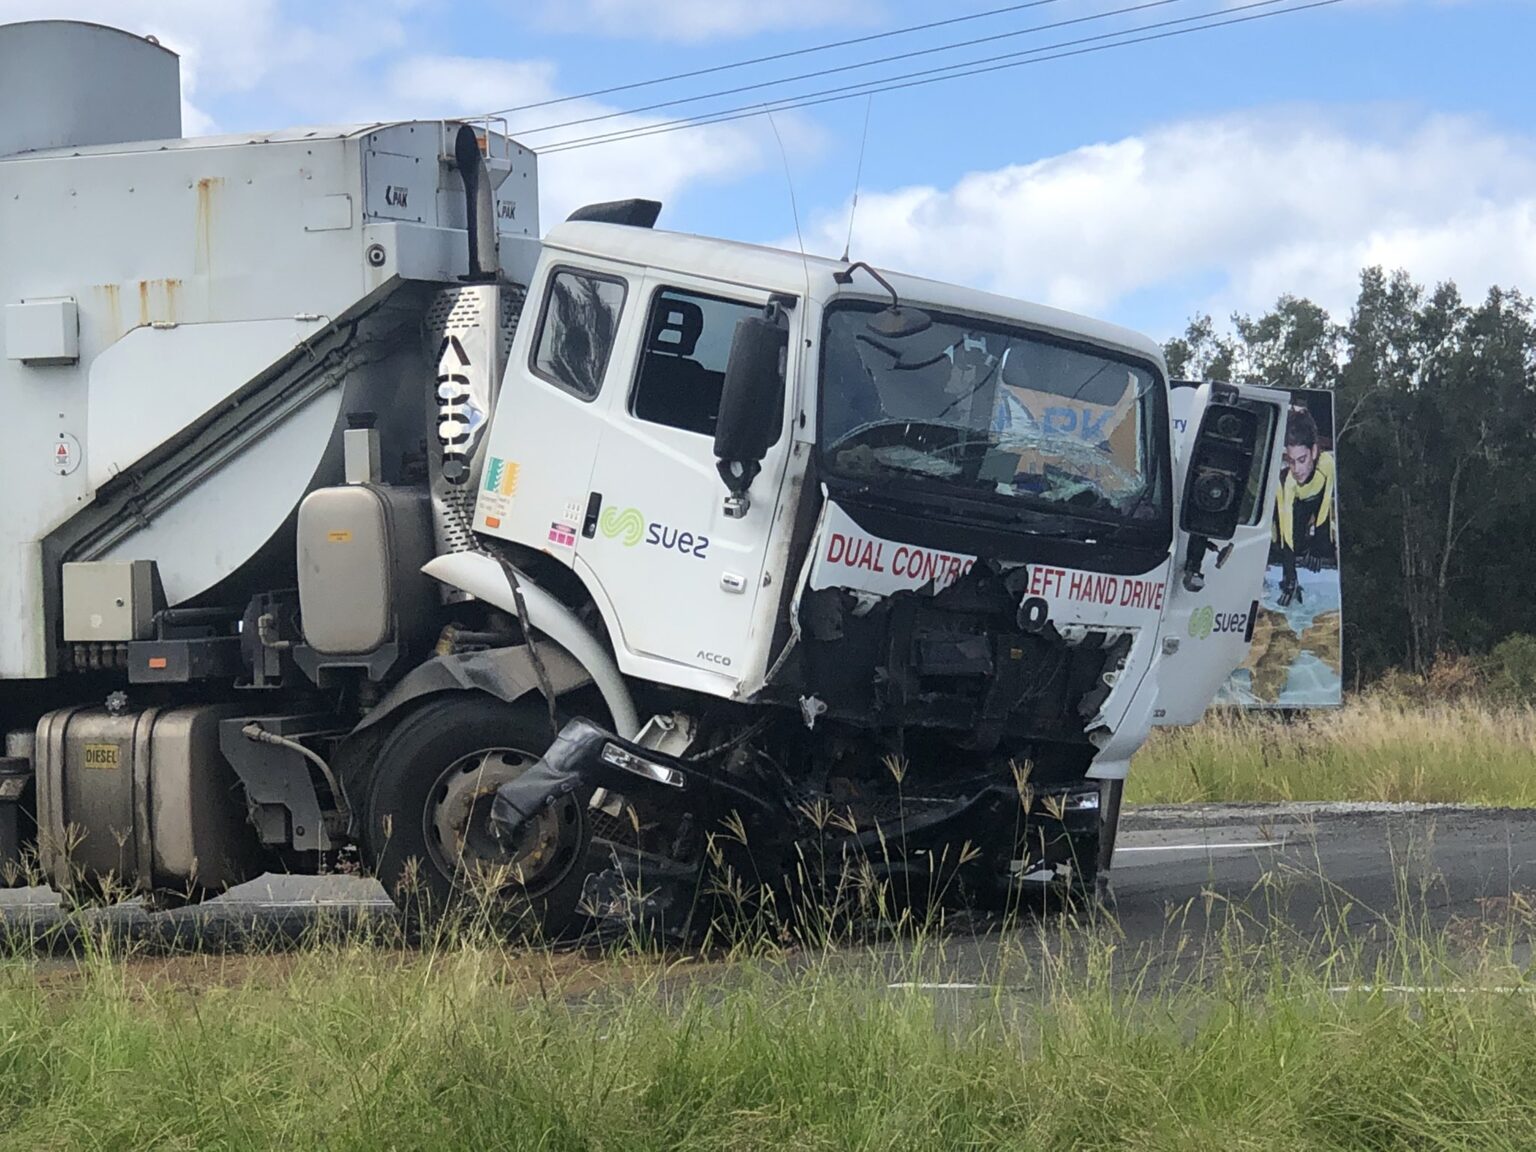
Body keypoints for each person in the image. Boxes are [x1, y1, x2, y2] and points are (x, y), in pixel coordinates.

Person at [1272, 405, 1336, 607]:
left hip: (1313, 514)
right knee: (1285, 541)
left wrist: (1319, 547)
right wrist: (1290, 576)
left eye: (1302, 460)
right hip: (1285, 526)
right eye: (1291, 461)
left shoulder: (1327, 465)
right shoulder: (1287, 481)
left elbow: (1324, 510)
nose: (1297, 469)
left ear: (1314, 451)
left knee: (1323, 544)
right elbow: (1286, 534)